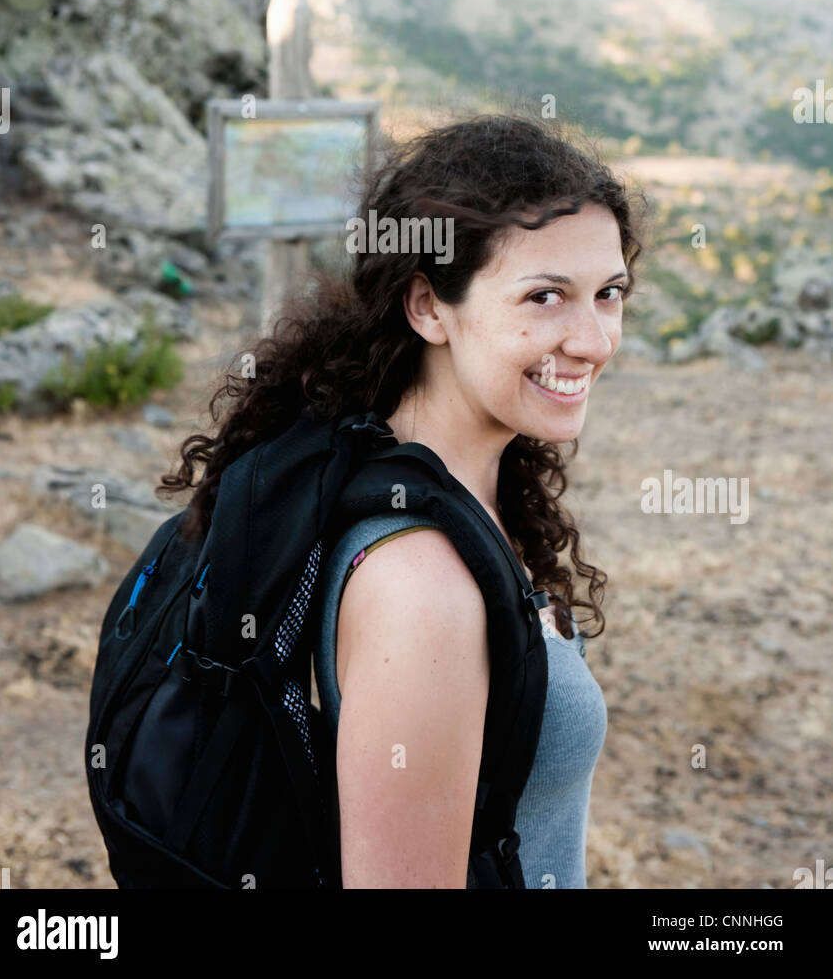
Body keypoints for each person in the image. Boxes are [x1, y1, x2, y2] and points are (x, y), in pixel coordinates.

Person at [159, 111, 649, 888]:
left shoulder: (448, 485)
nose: (593, 339)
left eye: (608, 293)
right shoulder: (422, 588)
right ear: (427, 307)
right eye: (545, 297)